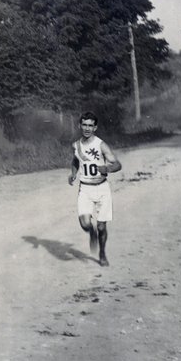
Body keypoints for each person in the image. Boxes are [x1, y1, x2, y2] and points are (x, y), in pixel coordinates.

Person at [67, 111, 122, 266]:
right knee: (85, 224)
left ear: (95, 127)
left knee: (102, 226)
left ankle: (102, 253)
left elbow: (117, 164)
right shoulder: (76, 145)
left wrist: (107, 169)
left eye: (90, 125)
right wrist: (73, 174)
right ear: (80, 126)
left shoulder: (101, 145)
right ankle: (91, 233)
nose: (87, 128)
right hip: (85, 188)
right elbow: (76, 161)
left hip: (102, 188)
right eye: (84, 125)